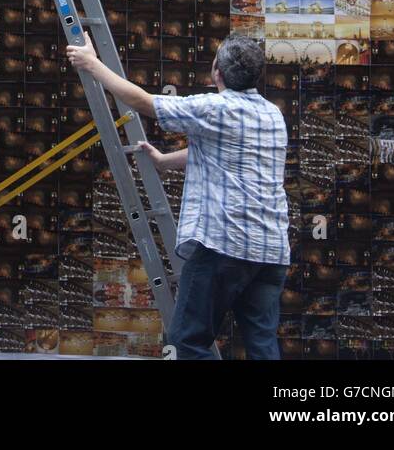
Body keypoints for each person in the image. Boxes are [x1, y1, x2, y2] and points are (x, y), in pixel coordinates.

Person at [66, 32, 290, 360]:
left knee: (189, 340)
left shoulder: (214, 108)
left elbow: (145, 102)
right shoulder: (272, 115)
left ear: (217, 71)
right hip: (270, 252)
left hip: (224, 246)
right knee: (262, 346)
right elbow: (222, 151)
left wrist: (92, 64)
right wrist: (164, 162)